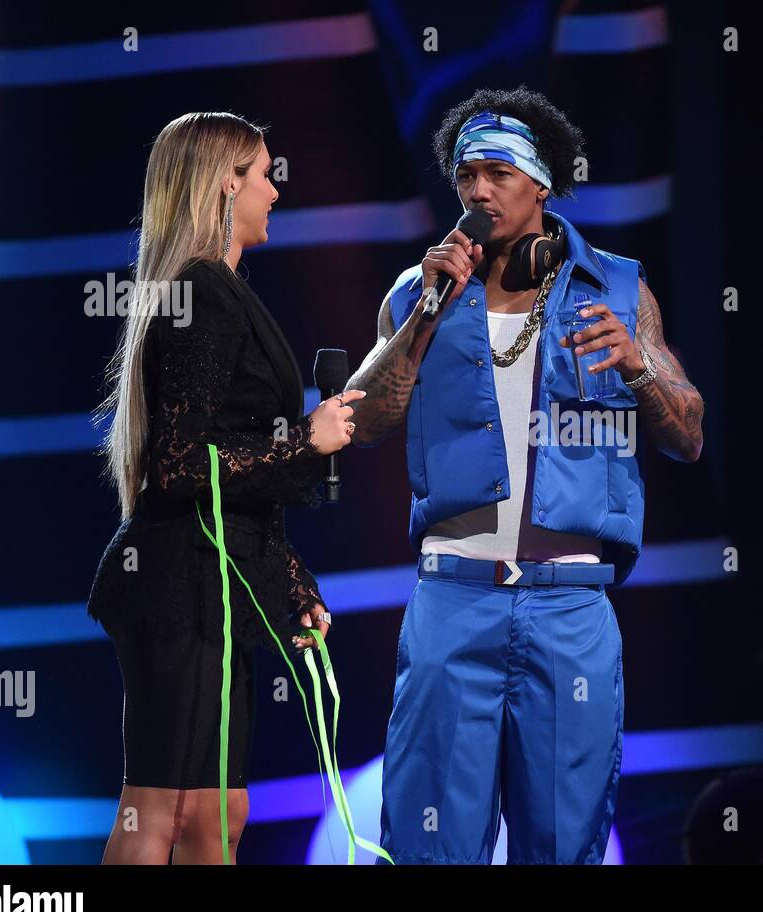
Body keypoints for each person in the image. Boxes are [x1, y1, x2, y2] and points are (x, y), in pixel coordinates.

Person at [347, 87, 705, 864]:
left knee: (561, 844)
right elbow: (364, 421)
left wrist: (641, 368)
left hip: (569, 610)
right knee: (429, 844)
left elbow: (688, 434)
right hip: (453, 598)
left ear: (540, 183)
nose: (478, 190)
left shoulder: (616, 288)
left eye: (498, 172)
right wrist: (421, 319)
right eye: (466, 174)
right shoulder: (416, 294)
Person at [87, 111, 362, 864]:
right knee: (163, 811)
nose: (276, 191)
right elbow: (182, 462)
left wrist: (291, 581)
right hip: (179, 582)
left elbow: (229, 475)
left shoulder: (216, 290)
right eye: (264, 174)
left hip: (218, 579)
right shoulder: (201, 293)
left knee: (219, 814)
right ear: (222, 185)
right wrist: (305, 438)